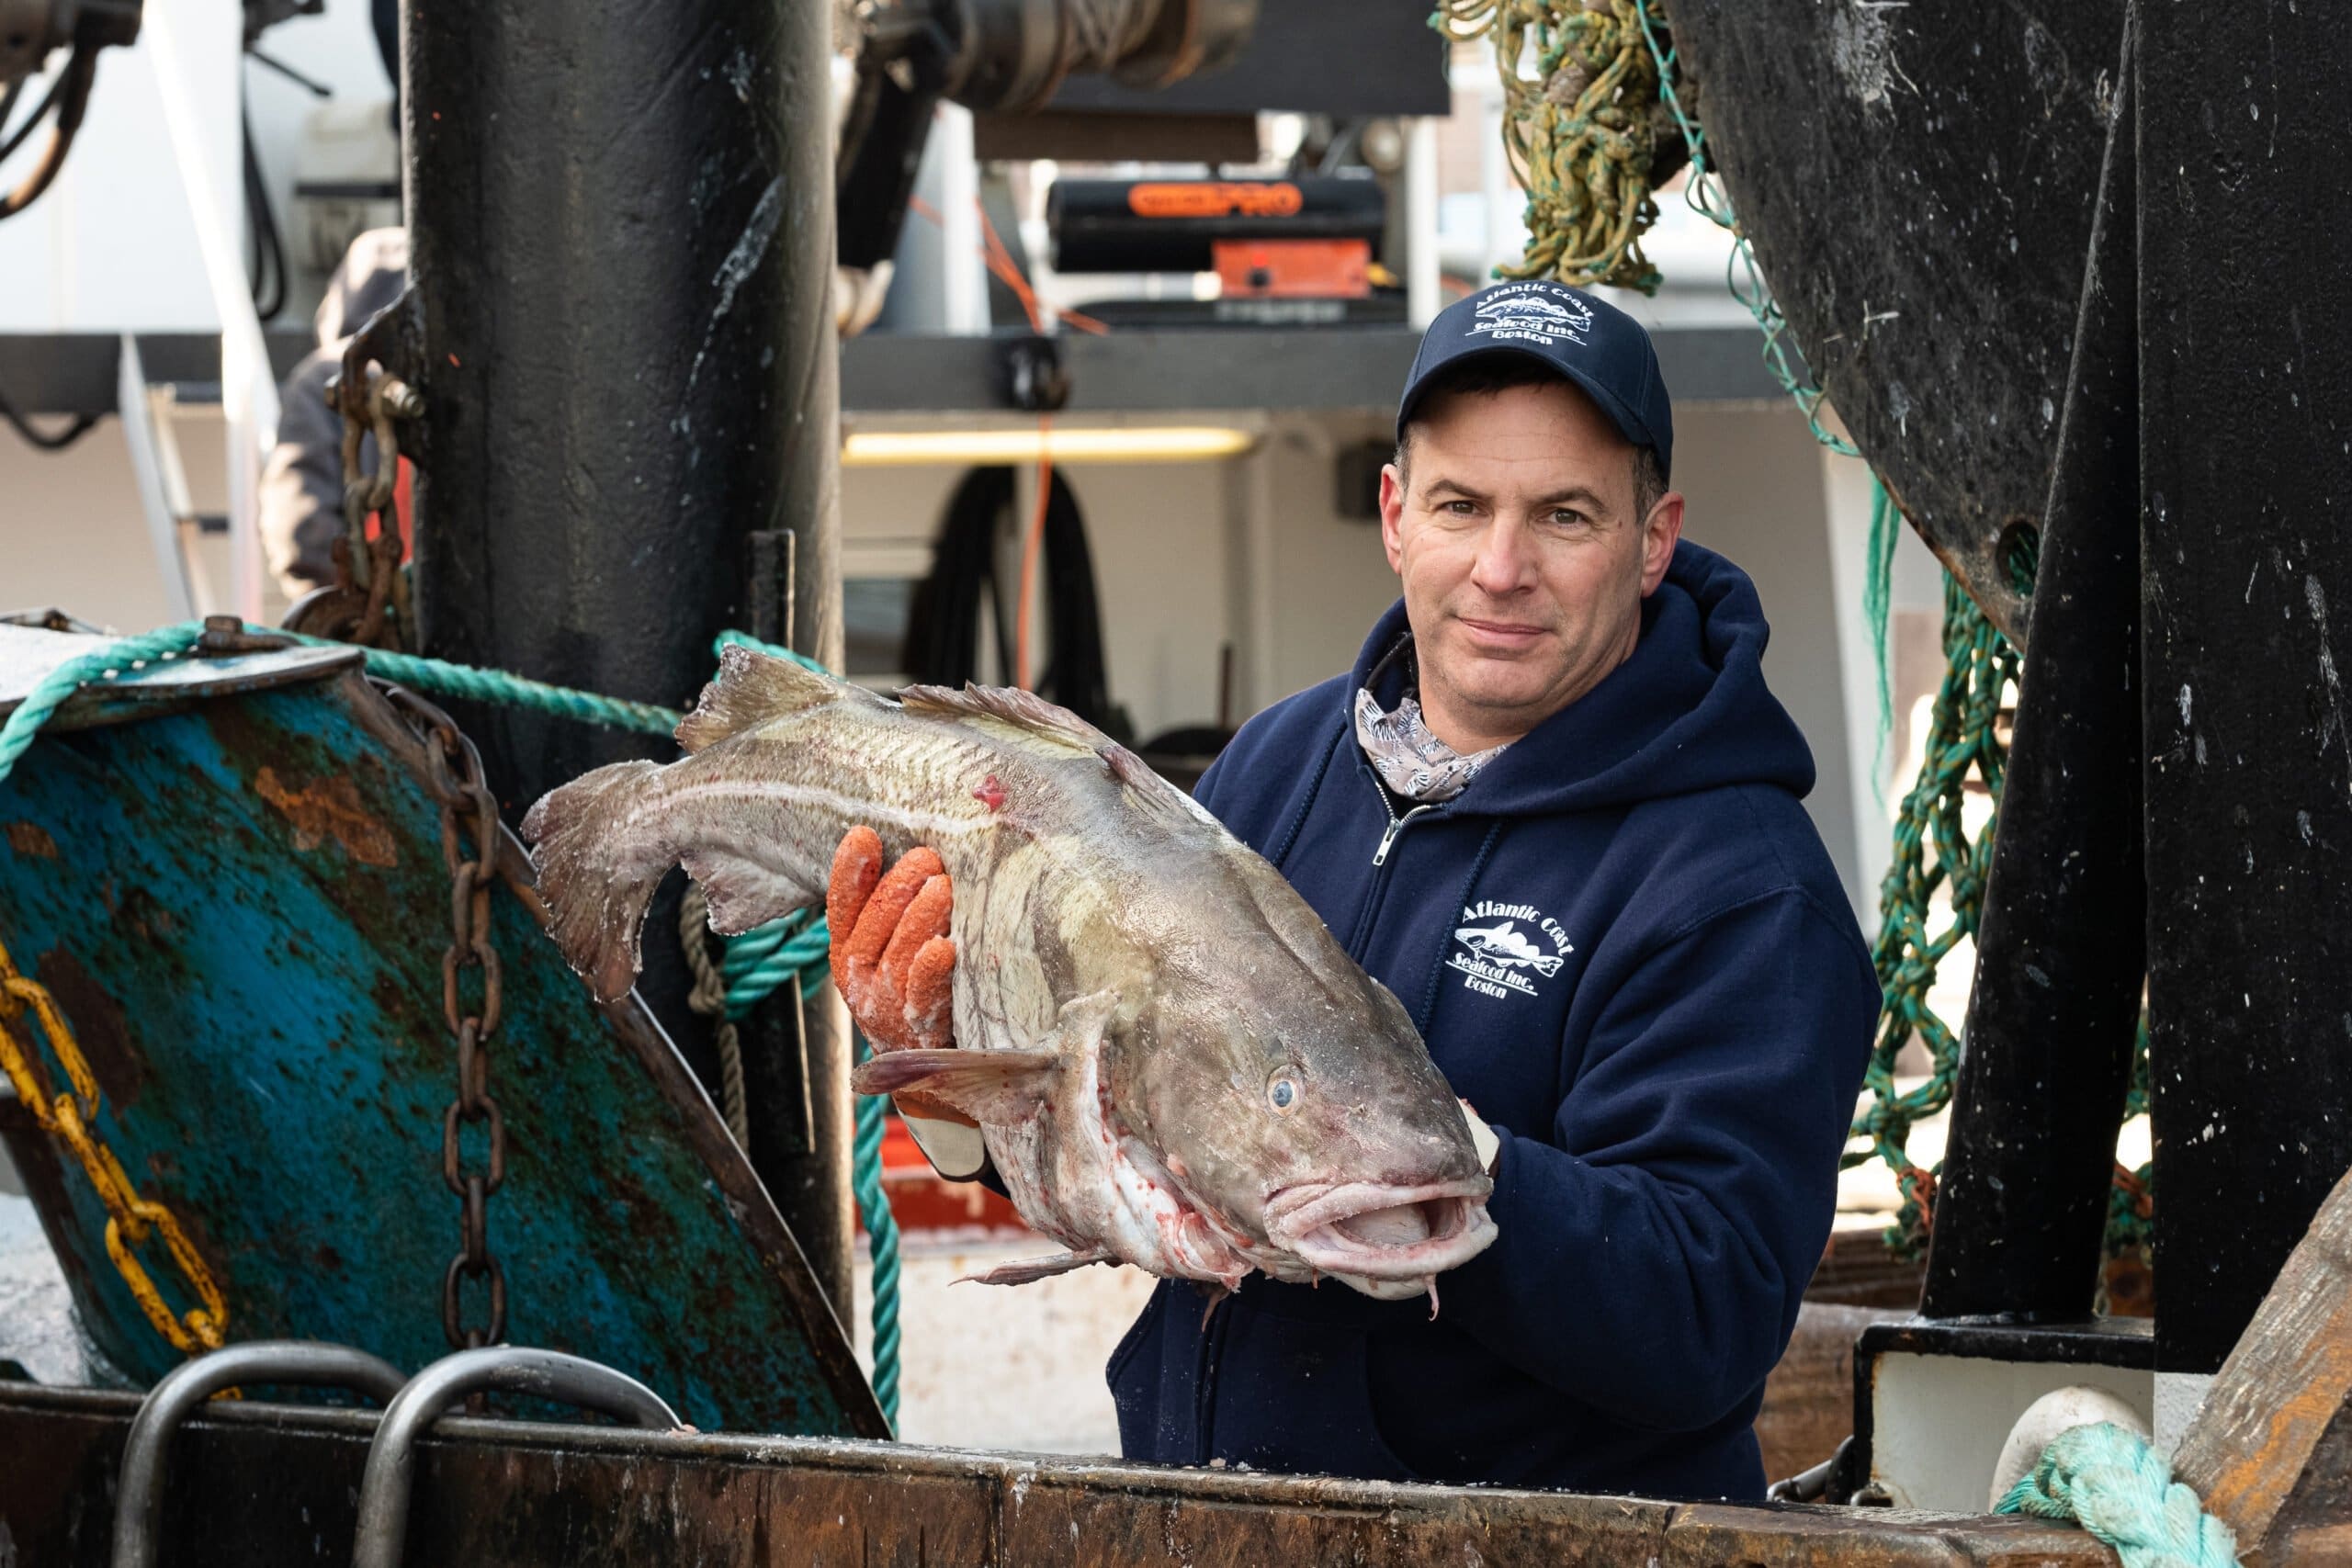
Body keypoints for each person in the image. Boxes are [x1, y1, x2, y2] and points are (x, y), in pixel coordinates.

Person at [826, 277, 1879, 1500]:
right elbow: (1143, 1145)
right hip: (1208, 1523)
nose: (1500, 566)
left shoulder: (1739, 888)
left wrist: (1434, 1161)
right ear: (1395, 514)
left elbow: (1707, 1317)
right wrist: (952, 1089)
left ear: (1654, 540)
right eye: (1460, 504)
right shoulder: (1279, 763)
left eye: (1566, 516)